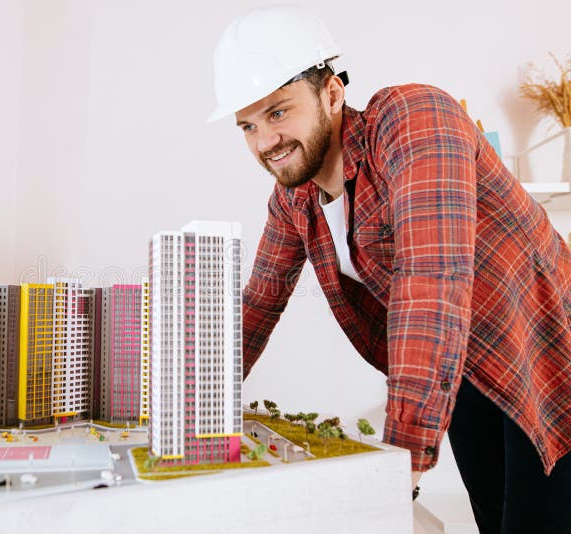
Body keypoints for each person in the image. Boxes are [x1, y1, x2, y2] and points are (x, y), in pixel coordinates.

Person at [209, 5, 571, 533]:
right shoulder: (295, 200)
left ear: (332, 93)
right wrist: (182, 410)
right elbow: (255, 307)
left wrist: (400, 462)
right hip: (470, 368)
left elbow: (432, 280)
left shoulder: (414, 118)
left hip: (548, 352)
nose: (265, 142)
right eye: (247, 125)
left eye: (279, 112)